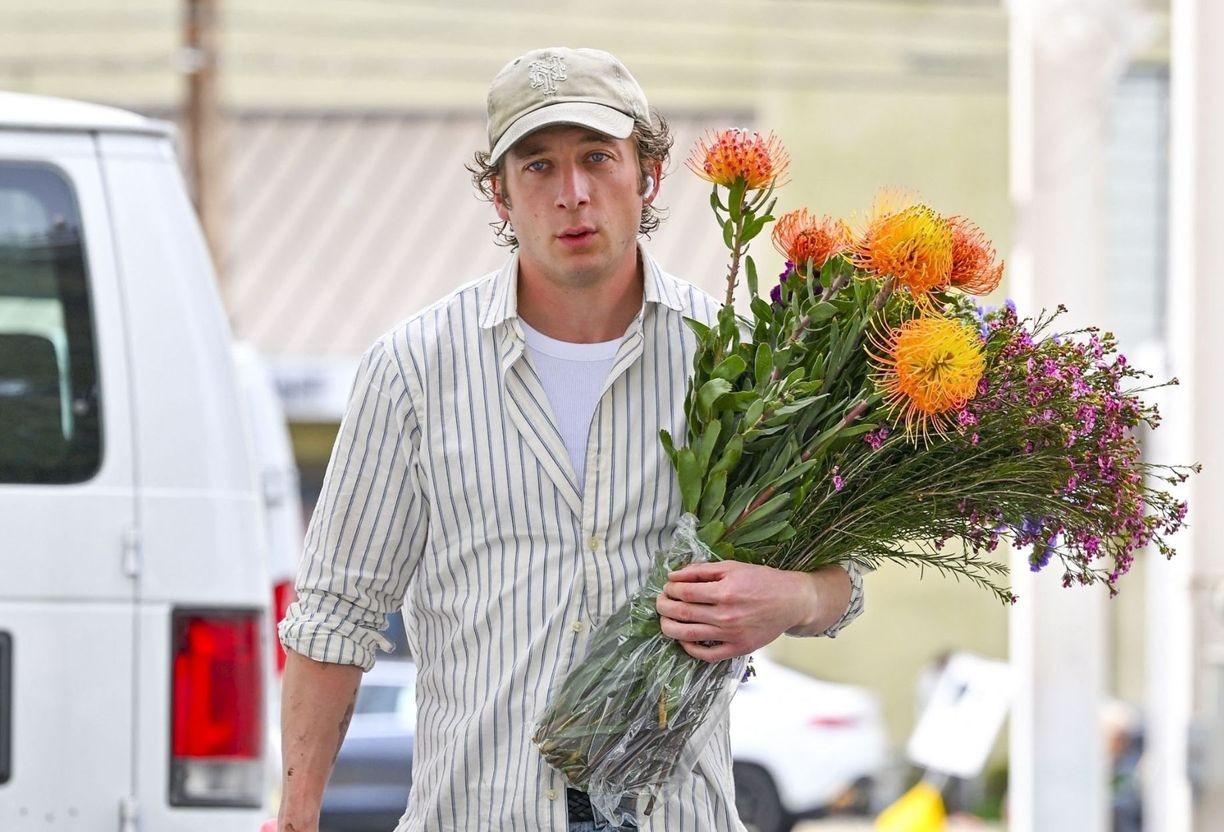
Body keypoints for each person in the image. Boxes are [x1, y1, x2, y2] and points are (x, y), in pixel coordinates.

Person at [274, 46, 866, 832]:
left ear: (648, 174)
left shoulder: (739, 359)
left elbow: (845, 577)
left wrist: (793, 597)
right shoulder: (414, 369)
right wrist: (296, 816)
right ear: (500, 194)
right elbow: (335, 615)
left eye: (596, 157)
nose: (573, 194)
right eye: (538, 166)